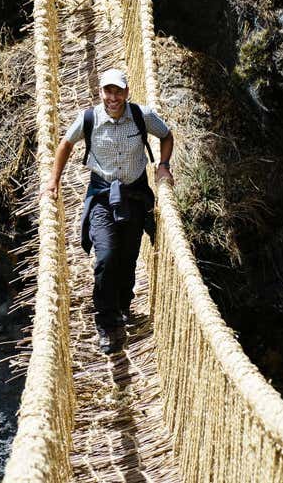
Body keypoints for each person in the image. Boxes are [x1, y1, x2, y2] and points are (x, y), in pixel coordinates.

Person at [42, 69, 174, 354]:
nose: (112, 98)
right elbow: (65, 144)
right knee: (106, 256)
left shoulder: (142, 115)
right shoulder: (89, 119)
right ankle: (106, 322)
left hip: (135, 195)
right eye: (107, 91)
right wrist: (54, 180)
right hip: (102, 195)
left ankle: (124, 305)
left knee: (128, 258)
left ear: (127, 93)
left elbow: (166, 135)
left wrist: (163, 165)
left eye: (118, 92)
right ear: (100, 93)